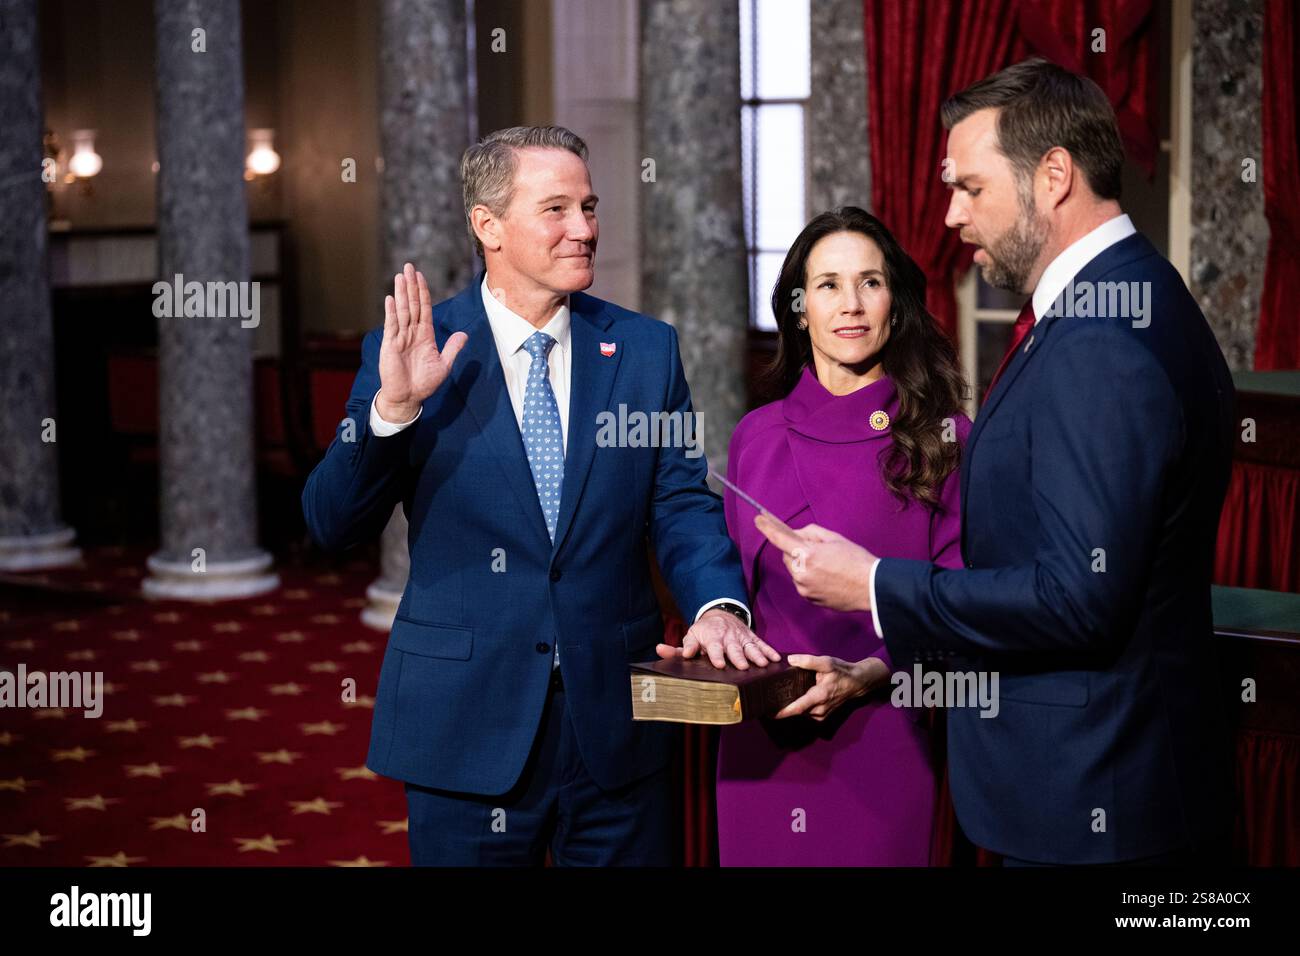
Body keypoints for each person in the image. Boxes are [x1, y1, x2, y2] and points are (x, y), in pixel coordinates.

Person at [755, 59, 1235, 866]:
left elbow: (1080, 600)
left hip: (1097, 801)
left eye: (971, 188)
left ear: (1053, 176)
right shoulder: (1132, 296)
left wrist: (873, 583)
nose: (949, 214)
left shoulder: (1099, 343)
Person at [303, 125, 779, 866]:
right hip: (465, 729)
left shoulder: (647, 350)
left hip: (617, 730)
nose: (585, 229)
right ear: (487, 226)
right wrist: (393, 413)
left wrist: (717, 604)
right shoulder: (412, 349)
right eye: (556, 209)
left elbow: (680, 501)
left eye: (589, 207)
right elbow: (331, 523)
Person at [662, 207, 970, 865]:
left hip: (885, 735)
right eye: (827, 284)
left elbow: (966, 604)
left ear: (898, 303)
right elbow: (735, 589)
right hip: (760, 749)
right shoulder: (755, 435)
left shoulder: (948, 438)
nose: (850, 304)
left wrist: (872, 675)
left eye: (871, 282)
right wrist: (707, 633)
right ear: (799, 309)